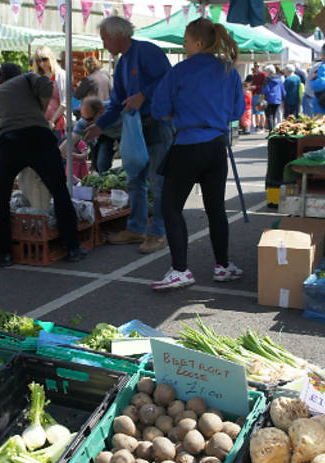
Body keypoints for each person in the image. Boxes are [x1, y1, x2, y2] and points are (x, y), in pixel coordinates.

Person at [149, 18, 245, 291]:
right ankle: (223, 266)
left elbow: (159, 109)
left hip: (188, 145)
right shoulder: (228, 70)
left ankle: (180, 269)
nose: (184, 44)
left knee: (170, 206)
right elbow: (237, 113)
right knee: (216, 209)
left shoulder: (180, 71)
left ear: (198, 43)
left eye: (186, 40)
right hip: (217, 145)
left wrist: (178, 114)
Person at [0, 62, 88, 266]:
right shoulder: (27, 79)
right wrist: (41, 107)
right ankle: (73, 247)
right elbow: (46, 84)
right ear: (18, 74)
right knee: (59, 190)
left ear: (0, 79)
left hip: (9, 141)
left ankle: (3, 253)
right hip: (39, 136)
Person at [85, 15, 174, 255]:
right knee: (135, 179)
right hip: (136, 127)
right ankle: (136, 228)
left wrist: (144, 95)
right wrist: (99, 125)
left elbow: (169, 79)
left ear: (117, 35)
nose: (103, 44)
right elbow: (116, 103)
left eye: (104, 38)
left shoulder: (146, 52)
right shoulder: (123, 63)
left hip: (157, 124)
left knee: (158, 181)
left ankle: (158, 232)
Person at [33, 45, 68, 141]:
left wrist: (52, 120)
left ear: (51, 58)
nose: (42, 63)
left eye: (44, 59)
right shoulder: (37, 77)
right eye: (38, 60)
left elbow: (65, 101)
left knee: (58, 153)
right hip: (40, 123)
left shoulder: (60, 75)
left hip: (57, 124)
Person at [72, 96, 106, 175]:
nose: (86, 122)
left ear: (101, 112)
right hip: (101, 140)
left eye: (89, 119)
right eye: (83, 118)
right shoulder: (83, 122)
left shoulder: (115, 111)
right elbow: (70, 140)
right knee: (101, 163)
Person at [261, 64, 285, 130]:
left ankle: (271, 131)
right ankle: (274, 130)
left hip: (269, 99)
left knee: (269, 116)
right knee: (274, 115)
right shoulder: (279, 78)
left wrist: (262, 93)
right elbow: (282, 89)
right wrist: (283, 98)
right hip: (277, 99)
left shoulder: (267, 79)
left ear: (269, 71)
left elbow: (266, 89)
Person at [250, 63, 267, 132]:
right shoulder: (254, 75)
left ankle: (262, 126)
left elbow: (265, 84)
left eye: (257, 66)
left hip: (260, 94)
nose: (256, 67)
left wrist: (257, 87)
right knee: (256, 111)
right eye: (255, 66)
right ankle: (257, 126)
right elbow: (253, 83)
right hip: (255, 94)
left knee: (261, 111)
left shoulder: (263, 74)